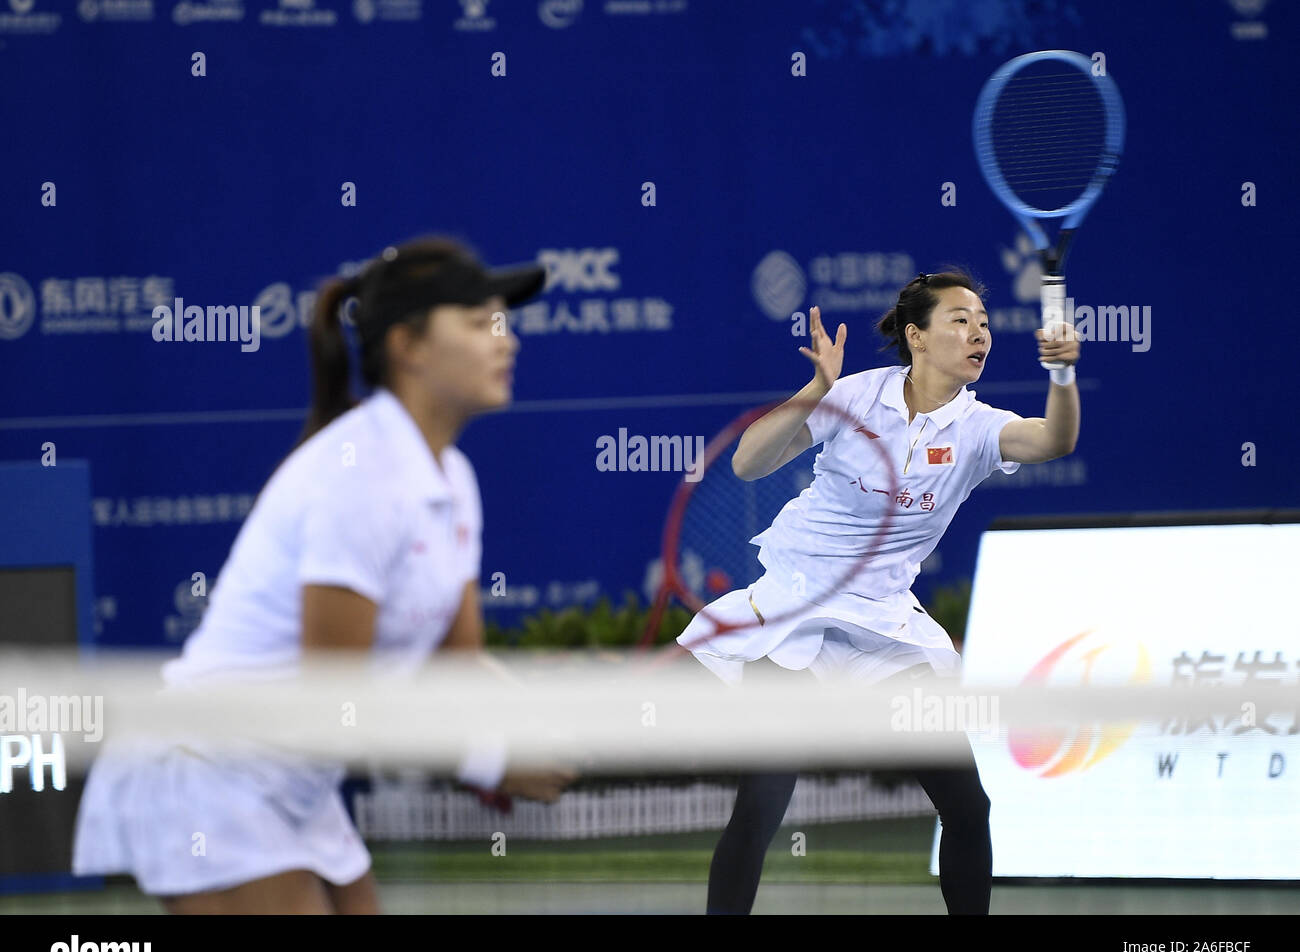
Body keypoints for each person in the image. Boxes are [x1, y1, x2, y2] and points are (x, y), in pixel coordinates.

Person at [73, 235, 575, 914]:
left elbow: (455, 664)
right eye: (478, 321)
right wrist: (490, 759)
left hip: (295, 781)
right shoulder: (360, 474)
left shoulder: (453, 478)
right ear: (410, 345)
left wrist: (563, 719)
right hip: (210, 768)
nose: (506, 340)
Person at [677, 270, 1081, 914]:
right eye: (959, 320)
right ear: (916, 336)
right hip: (794, 616)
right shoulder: (858, 396)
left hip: (884, 633)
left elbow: (1054, 440)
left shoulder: (978, 428)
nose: (978, 333)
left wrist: (1062, 375)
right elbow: (750, 462)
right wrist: (817, 389)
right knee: (762, 802)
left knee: (966, 804)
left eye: (984, 323)